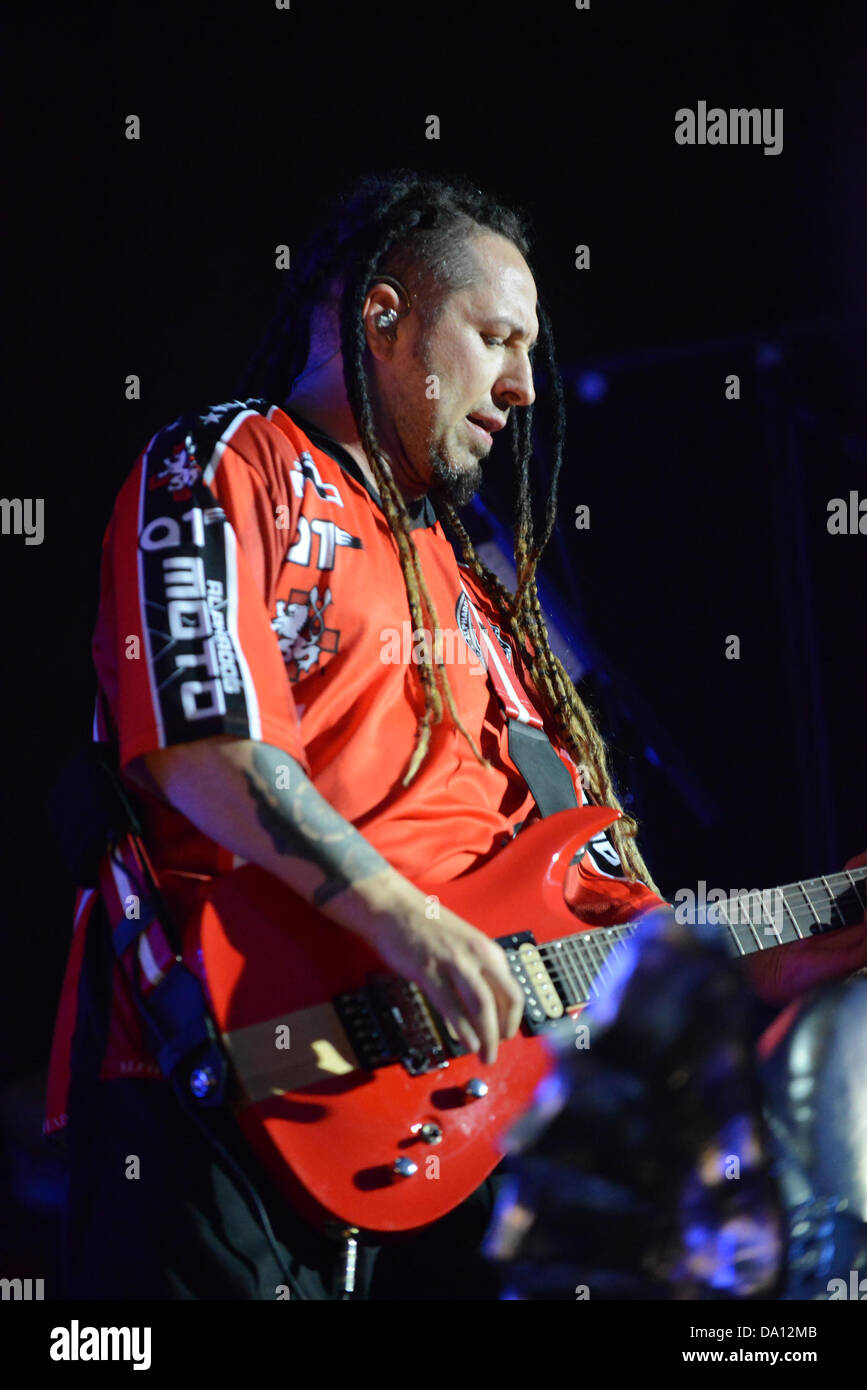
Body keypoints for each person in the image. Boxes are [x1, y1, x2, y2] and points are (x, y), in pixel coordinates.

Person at [44, 170, 867, 1301]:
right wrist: (409, 922)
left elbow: (598, 941)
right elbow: (203, 746)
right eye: (495, 337)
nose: (526, 385)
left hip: (470, 1136)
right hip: (251, 1082)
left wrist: (798, 944)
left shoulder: (482, 584)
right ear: (384, 318)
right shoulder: (225, 465)